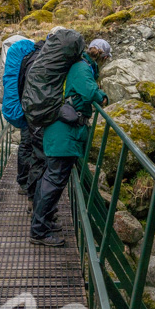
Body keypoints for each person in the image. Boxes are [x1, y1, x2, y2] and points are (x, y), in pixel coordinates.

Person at [31, 37, 111, 246]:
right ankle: (38, 231)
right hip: (64, 134)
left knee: (49, 177)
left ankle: (44, 221)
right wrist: (103, 96)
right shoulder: (82, 67)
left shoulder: (75, 65)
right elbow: (89, 91)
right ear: (101, 56)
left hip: (59, 130)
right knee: (54, 180)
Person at [0, 33, 40, 204]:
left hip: (23, 108)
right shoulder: (34, 59)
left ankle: (23, 181)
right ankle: (29, 184)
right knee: (32, 145)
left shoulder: (18, 60)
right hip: (32, 109)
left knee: (25, 144)